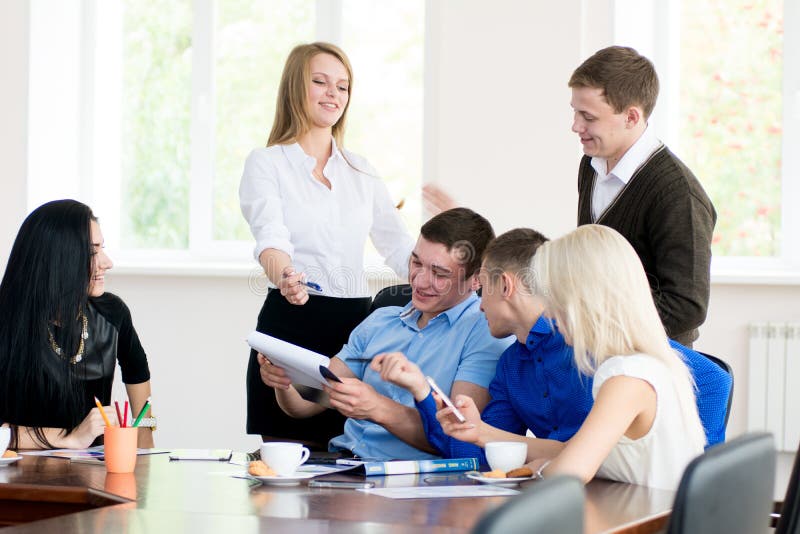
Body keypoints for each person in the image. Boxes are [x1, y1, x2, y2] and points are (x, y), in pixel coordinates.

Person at [378, 228, 730, 466]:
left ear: (506, 286)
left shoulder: (600, 342)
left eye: (482, 288)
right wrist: (425, 395)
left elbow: (714, 379)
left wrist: (696, 478)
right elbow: (479, 455)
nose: (479, 304)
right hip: (568, 494)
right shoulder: (511, 366)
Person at [239, 42, 415, 448]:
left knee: (348, 468)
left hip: (352, 329)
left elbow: (398, 247)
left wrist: (455, 278)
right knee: (283, 479)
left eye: (343, 86)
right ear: (295, 89)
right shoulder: (266, 163)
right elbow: (270, 237)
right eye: (320, 82)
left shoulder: (362, 171)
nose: (333, 93)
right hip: (291, 324)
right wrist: (286, 276)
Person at [258, 208, 513, 460]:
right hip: (345, 464)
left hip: (415, 481)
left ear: (476, 280)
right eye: (416, 263)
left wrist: (378, 408)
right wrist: (284, 382)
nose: (420, 281)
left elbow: (459, 437)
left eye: (439, 273)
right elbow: (305, 404)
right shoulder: (381, 321)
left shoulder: (486, 332)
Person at [569, 46, 716, 347]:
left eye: (588, 117)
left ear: (631, 117)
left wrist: (599, 327)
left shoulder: (677, 194)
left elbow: (687, 307)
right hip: (598, 353)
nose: (576, 126)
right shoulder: (591, 165)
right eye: (575, 112)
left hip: (653, 364)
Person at [0, 200, 154, 450]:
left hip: (93, 470)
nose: (107, 262)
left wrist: (146, 450)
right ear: (58, 258)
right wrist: (68, 438)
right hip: (21, 475)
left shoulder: (113, 313)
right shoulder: (7, 322)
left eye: (102, 248)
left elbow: (138, 379)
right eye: (93, 252)